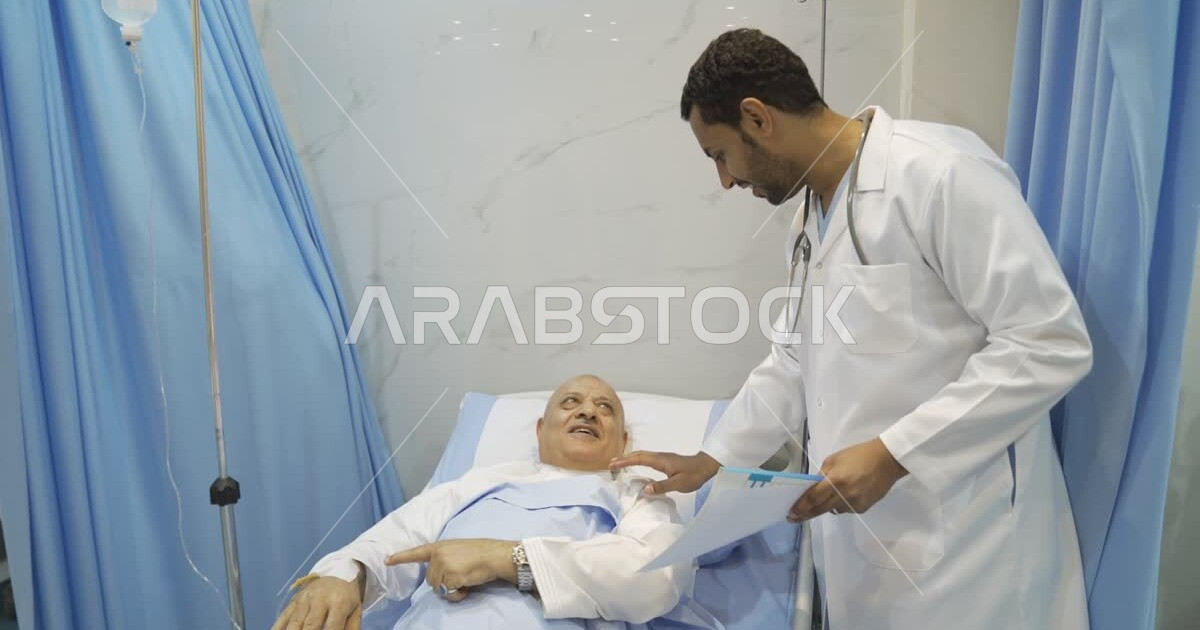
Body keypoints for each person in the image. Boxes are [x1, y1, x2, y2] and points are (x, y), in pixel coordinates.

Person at [612, 29, 1092, 629]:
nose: (726, 181)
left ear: (757, 118)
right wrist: (714, 459)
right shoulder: (809, 221)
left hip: (968, 550)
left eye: (719, 154)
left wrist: (894, 455)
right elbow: (793, 359)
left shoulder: (940, 174)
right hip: (864, 549)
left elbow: (1048, 343)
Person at [271, 374, 720, 630]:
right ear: (541, 429)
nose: (587, 411)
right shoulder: (477, 484)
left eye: (605, 408)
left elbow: (656, 579)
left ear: (623, 439)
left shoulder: (638, 495)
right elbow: (391, 543)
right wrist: (345, 577)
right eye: (571, 402)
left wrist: (508, 558)